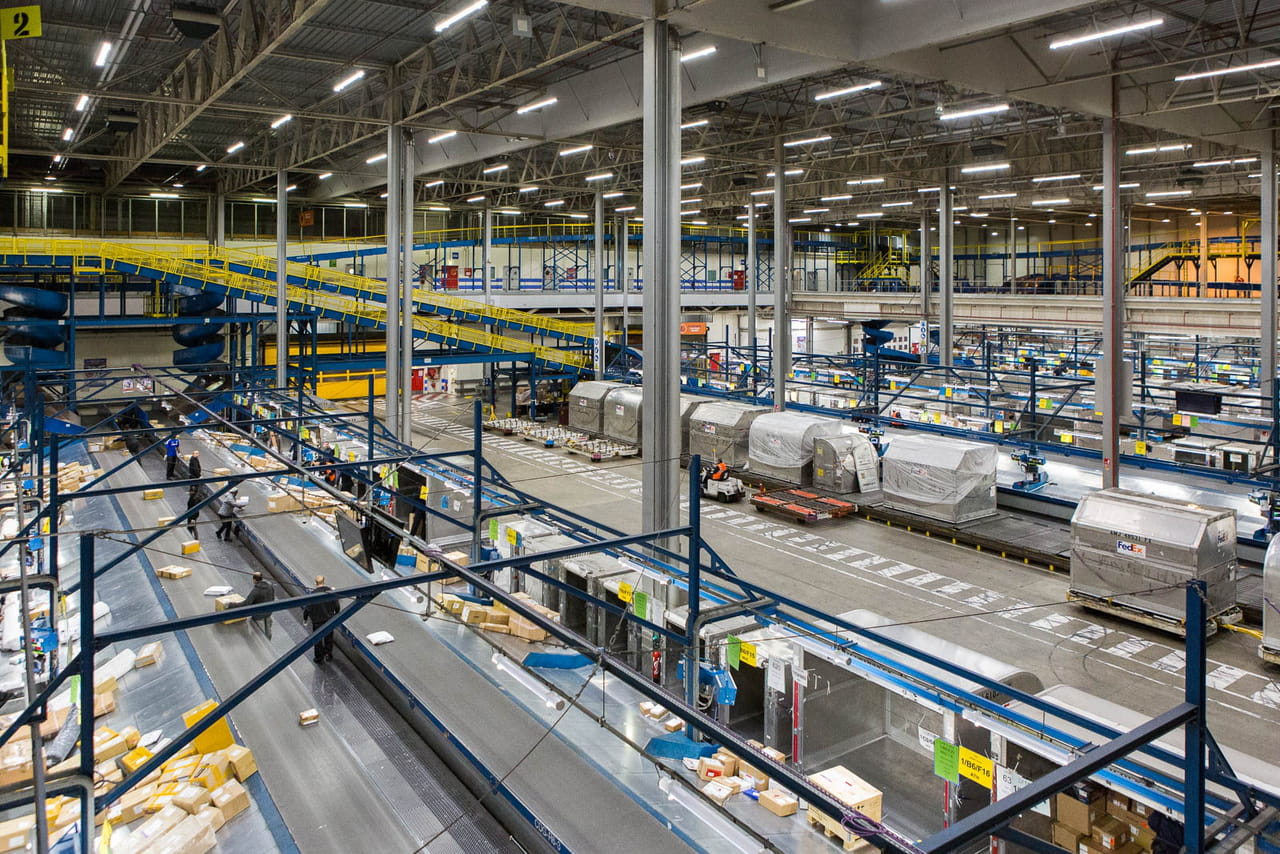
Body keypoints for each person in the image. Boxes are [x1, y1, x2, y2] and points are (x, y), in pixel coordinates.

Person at [303, 575, 340, 663]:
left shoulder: (312, 594)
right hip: (329, 620)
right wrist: (336, 613)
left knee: (317, 640)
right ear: (324, 581)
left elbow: (307, 609)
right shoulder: (330, 592)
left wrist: (305, 619)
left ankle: (319, 658)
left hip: (317, 621)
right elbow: (337, 606)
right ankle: (328, 654)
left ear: (315, 583)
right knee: (329, 638)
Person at [243, 571, 275, 640]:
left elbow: (246, 604)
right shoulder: (270, 586)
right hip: (268, 614)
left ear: (254, 580)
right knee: (268, 633)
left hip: (258, 617)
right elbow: (272, 598)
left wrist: (231, 605)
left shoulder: (256, 591)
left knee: (259, 636)